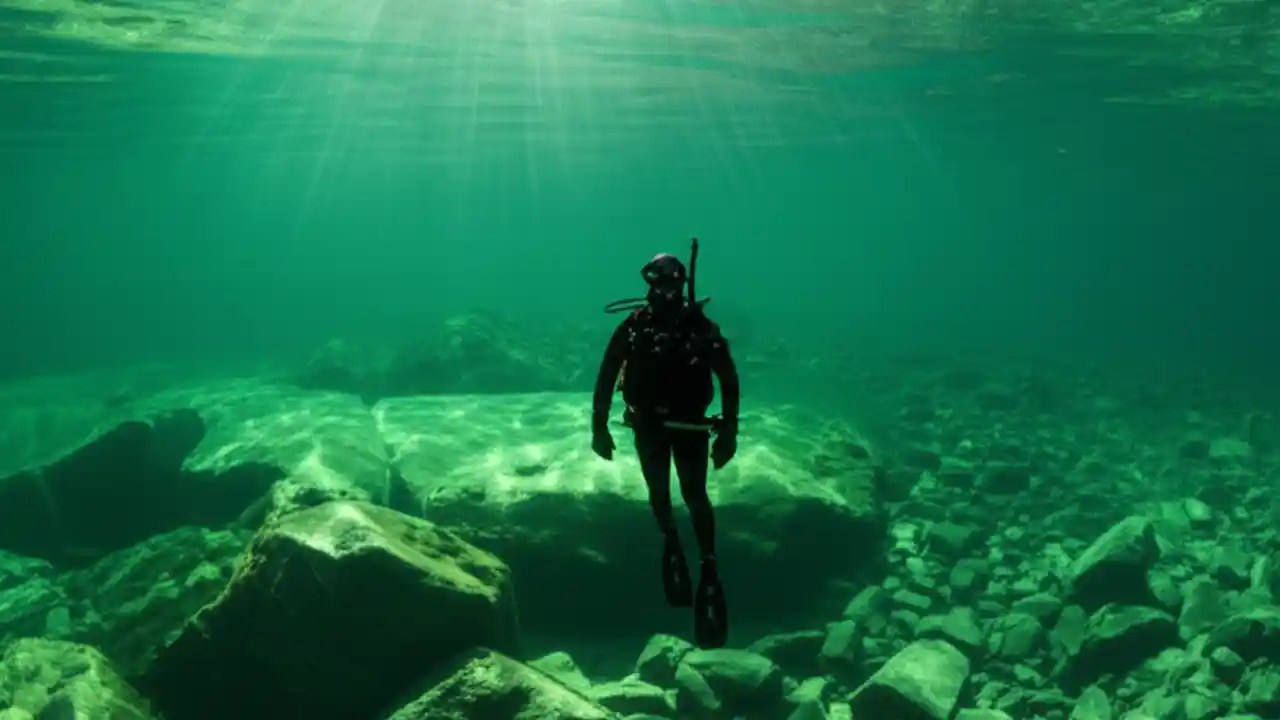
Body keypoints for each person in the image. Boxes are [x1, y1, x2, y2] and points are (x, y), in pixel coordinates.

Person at [591, 241, 740, 649]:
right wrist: (598, 427)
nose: (664, 292)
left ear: (683, 284)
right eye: (657, 283)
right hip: (649, 426)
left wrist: (729, 432)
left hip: (689, 426)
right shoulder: (635, 327)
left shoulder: (701, 330)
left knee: (694, 494)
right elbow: (606, 376)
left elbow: (728, 379)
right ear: (648, 286)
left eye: (672, 283)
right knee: (660, 491)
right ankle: (672, 542)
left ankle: (707, 563)